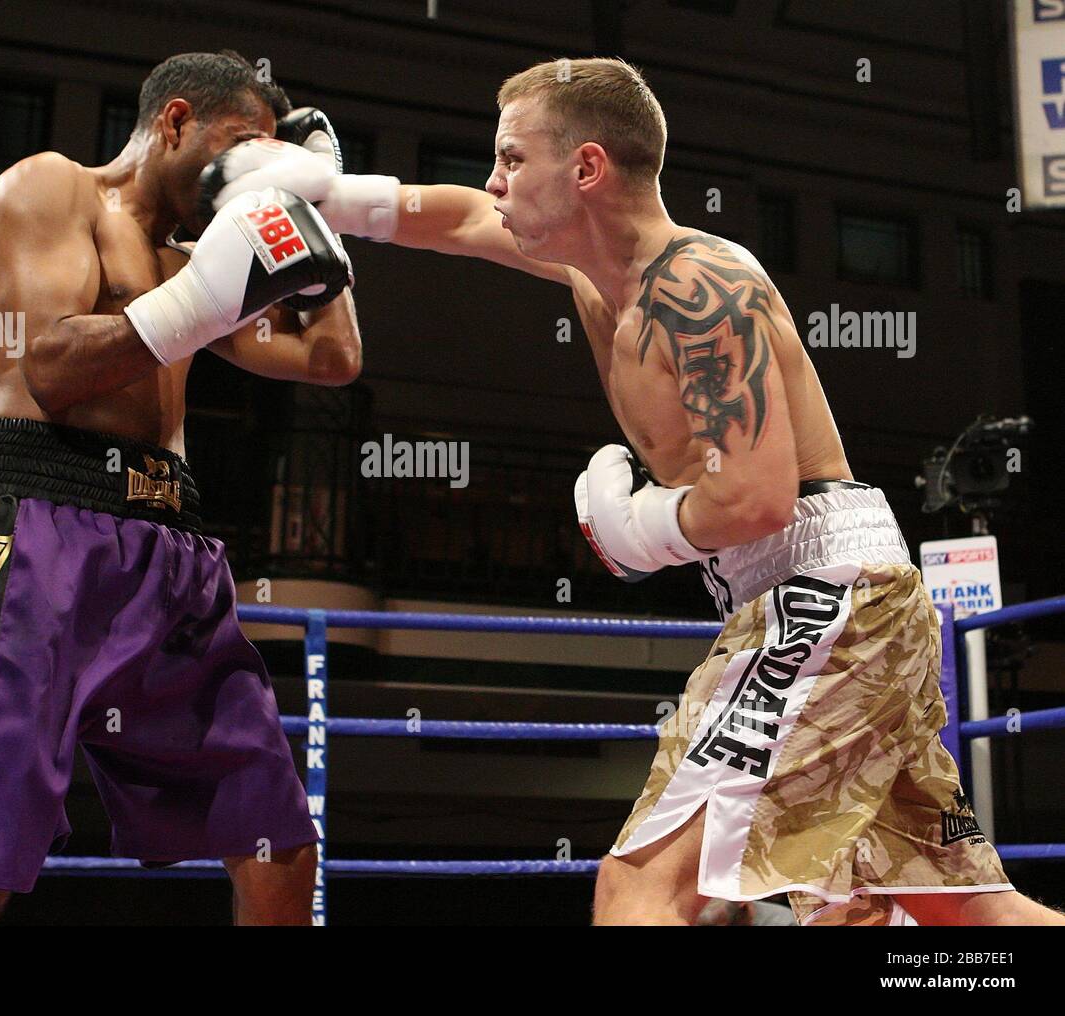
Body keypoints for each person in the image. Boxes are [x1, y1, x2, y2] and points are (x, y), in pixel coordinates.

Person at [207, 56, 1065, 926]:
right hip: (819, 598)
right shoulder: (591, 272)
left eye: (511, 159)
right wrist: (326, 191)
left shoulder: (703, 288)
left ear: (585, 169)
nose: (493, 181)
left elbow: (759, 500)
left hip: (825, 598)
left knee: (642, 884)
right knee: (962, 911)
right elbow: (462, 218)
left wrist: (637, 528)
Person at [0, 50, 359, 926]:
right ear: (176, 122)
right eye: (237, 147)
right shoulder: (50, 189)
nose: (243, 174)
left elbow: (332, 358)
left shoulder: (189, 253)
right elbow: (52, 368)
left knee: (279, 846)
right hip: (32, 527)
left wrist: (317, 202)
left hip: (171, 548)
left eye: (266, 156)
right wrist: (206, 292)